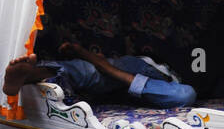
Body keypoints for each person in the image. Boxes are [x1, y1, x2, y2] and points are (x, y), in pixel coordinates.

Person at [3, 41, 196, 109]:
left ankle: (104, 66)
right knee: (92, 73)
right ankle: (32, 73)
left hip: (152, 92)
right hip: (150, 70)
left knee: (186, 95)